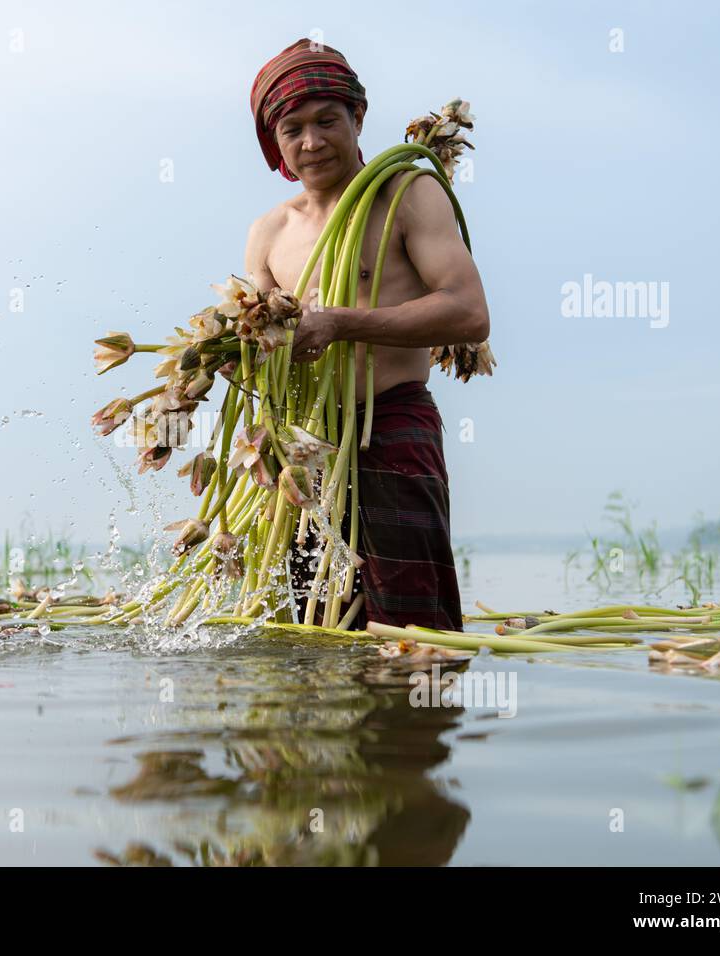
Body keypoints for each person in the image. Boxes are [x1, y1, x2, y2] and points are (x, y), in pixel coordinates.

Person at [245, 38, 490, 632]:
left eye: (327, 121)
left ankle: (415, 722)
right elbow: (256, 349)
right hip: (304, 443)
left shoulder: (406, 194)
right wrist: (238, 361)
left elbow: (468, 312)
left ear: (358, 117)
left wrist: (339, 323)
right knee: (312, 628)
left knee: (413, 630)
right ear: (274, 142)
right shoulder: (270, 232)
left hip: (393, 426)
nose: (312, 142)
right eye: (292, 129)